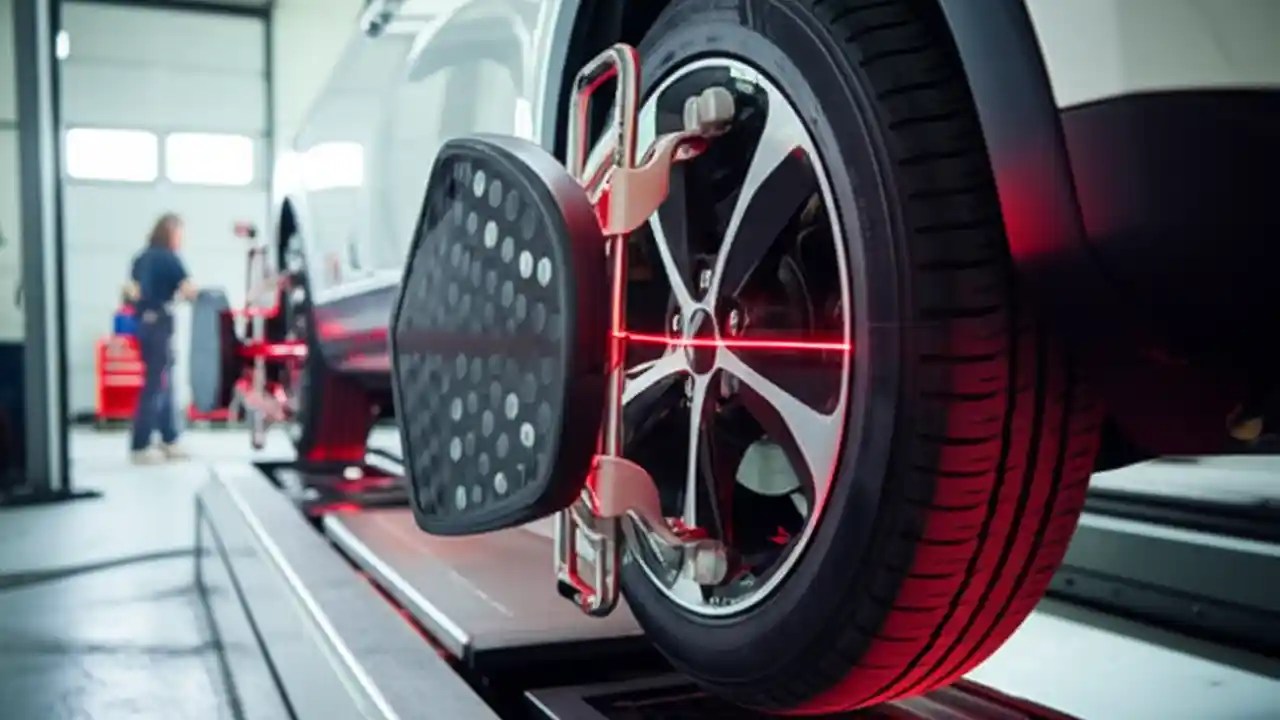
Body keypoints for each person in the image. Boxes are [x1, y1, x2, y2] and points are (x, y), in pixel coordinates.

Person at [128, 213, 198, 464]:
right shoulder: (169, 258)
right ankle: (140, 444)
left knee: (163, 383)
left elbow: (132, 291)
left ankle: (169, 439)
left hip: (144, 325)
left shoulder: (141, 257)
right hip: (160, 324)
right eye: (180, 233)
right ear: (170, 232)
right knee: (156, 384)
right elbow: (189, 291)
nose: (182, 238)